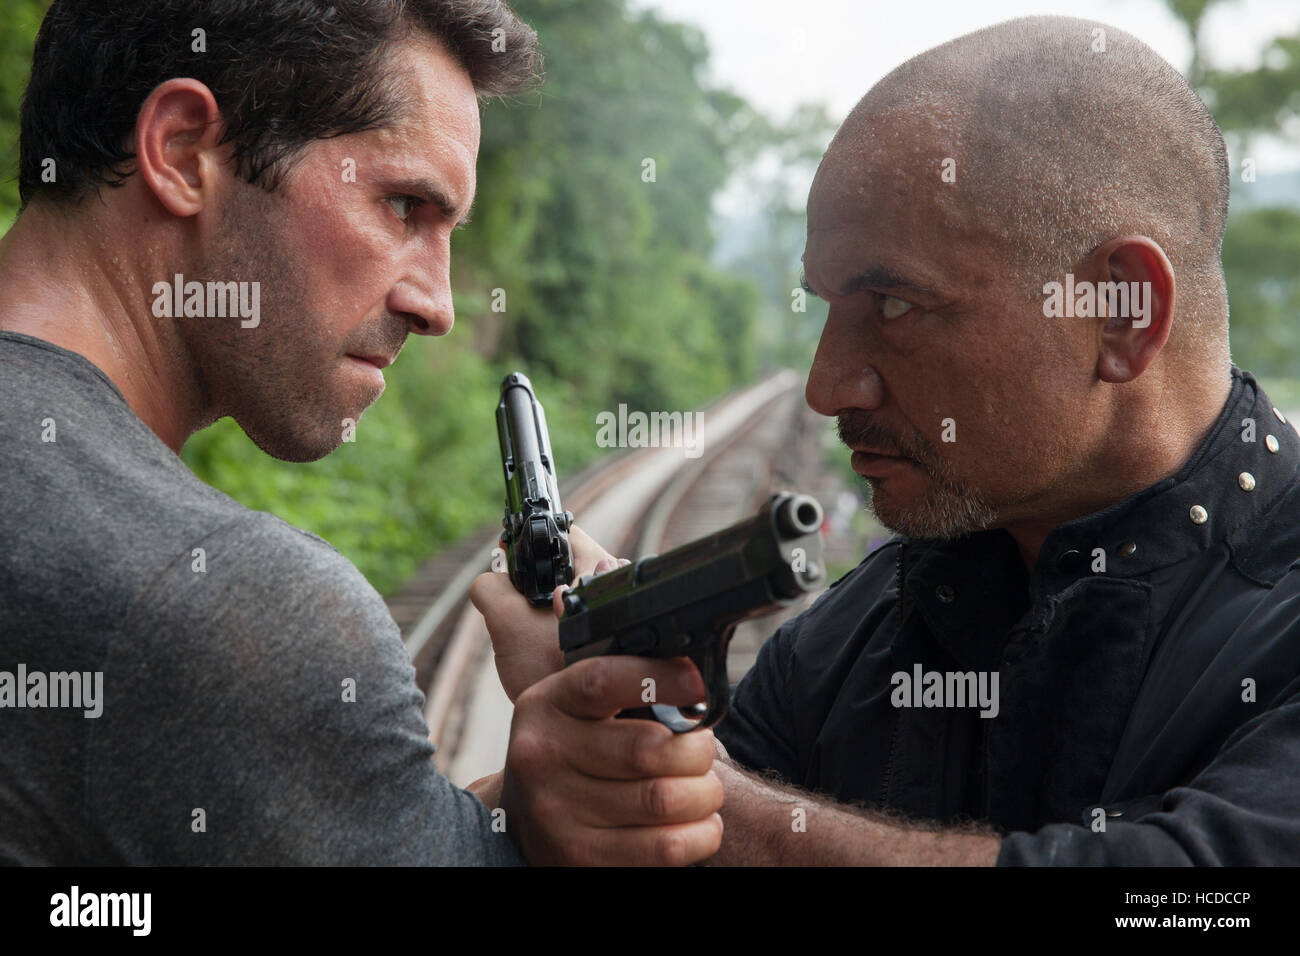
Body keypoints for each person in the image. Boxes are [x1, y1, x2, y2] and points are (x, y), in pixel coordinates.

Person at [474, 15, 1300, 865]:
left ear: (1120, 312)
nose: (827, 387)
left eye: (894, 306)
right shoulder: (860, 631)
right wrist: (583, 756)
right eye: (829, 307)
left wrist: (710, 812)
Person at [0, 0, 723, 866]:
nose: (439, 307)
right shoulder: (234, 603)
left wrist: (525, 805)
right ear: (185, 151)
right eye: (404, 206)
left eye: (449, 233)